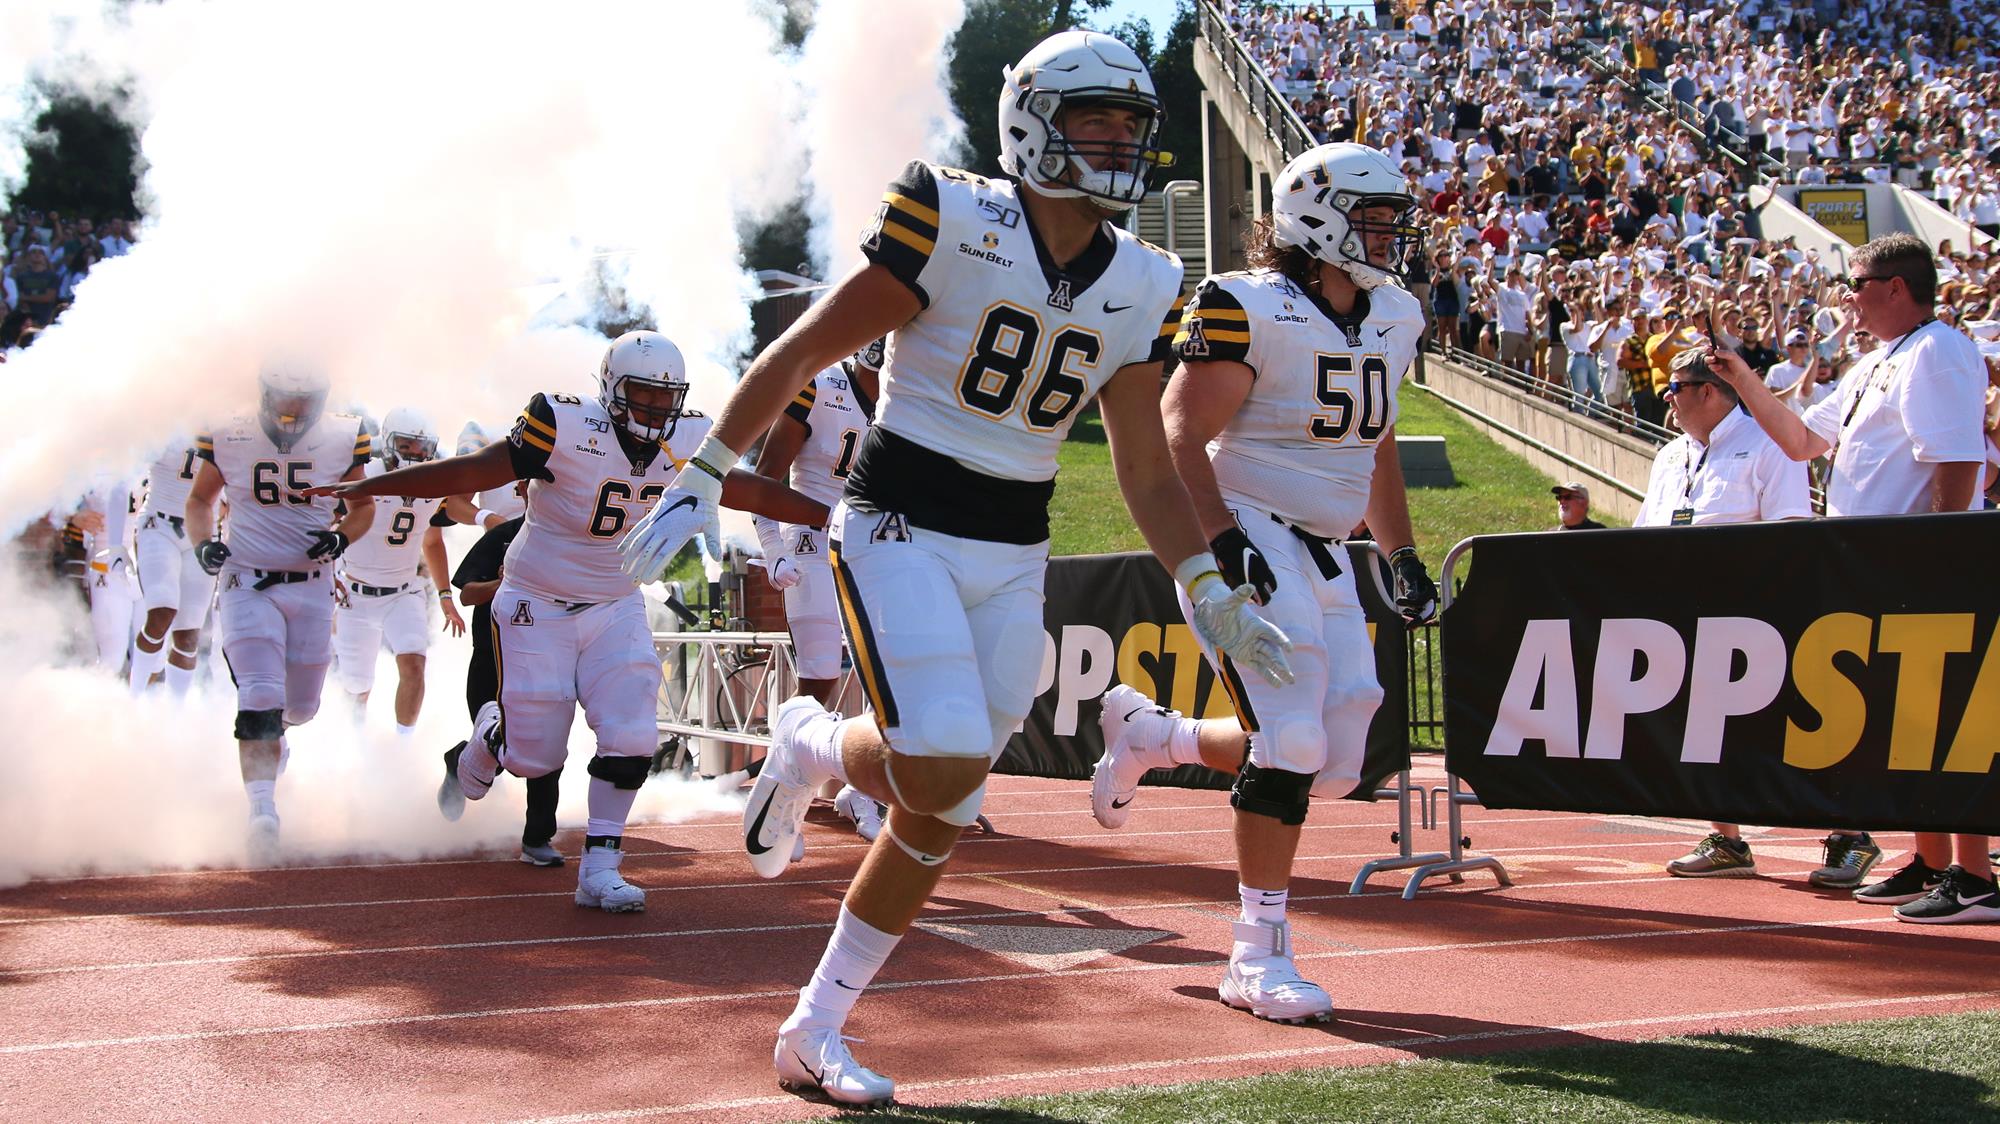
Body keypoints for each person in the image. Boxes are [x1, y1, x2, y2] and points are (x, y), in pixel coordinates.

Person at [614, 30, 1292, 1107]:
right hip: (898, 521)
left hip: (1014, 544)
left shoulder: (1147, 277)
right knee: (937, 768)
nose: (1119, 140)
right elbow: (799, 351)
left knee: (947, 793)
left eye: (1130, 122)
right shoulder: (952, 216)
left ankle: (811, 1023)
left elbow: (1146, 469)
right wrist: (704, 470)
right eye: (1095, 118)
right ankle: (811, 744)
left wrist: (1206, 586)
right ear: (1033, 122)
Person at [1088, 142, 1439, 1026]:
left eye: (1394, 216)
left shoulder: (1395, 313)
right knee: (1290, 740)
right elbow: (1178, 428)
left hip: (1324, 546)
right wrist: (1216, 543)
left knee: (1337, 757)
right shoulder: (1245, 303)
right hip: (1248, 529)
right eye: (1375, 215)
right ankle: (1255, 954)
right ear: (1315, 217)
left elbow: (1377, 439)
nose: (1390, 233)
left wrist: (1397, 551)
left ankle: (1153, 736)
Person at [310, 330, 827, 913]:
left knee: (633, 734)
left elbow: (745, 489)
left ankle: (600, 869)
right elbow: (472, 471)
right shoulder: (561, 422)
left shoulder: (688, 438)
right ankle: (480, 748)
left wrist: (831, 516)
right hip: (537, 599)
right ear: (610, 387)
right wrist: (375, 485)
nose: (656, 410)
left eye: (666, 398)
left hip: (615, 602)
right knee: (534, 758)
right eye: (643, 395)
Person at [1705, 233, 1994, 923]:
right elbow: (1803, 440)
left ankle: (1976, 874)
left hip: (1921, 564)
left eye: (1857, 283)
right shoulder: (1875, 363)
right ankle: (1929, 857)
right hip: (1881, 565)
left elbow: (1956, 461)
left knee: (1943, 720)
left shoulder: (1939, 349)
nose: (1848, 297)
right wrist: (1741, 375)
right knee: (1903, 724)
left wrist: (1944, 556)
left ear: (1896, 287)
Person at [185, 362, 375, 861]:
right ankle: (262, 812)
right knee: (259, 692)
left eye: (304, 399)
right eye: (287, 398)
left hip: (311, 586)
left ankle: (277, 737)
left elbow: (363, 506)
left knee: (301, 708)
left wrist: (341, 537)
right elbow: (201, 500)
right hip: (246, 582)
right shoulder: (229, 430)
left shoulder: (342, 432)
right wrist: (204, 544)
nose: (295, 410)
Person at [1639, 349, 1812, 878]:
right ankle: (1726, 838)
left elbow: (1791, 532)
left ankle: (1849, 835)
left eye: (1675, 388)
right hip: (1684, 617)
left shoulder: (1769, 442)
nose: (1665, 397)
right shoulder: (1669, 454)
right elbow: (1645, 533)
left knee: (1792, 730)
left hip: (1756, 615)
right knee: (1704, 732)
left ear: (1708, 391)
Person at [750, 341, 886, 843]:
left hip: (876, 549)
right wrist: (772, 548)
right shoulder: (820, 387)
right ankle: (786, 790)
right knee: (822, 676)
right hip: (810, 543)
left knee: (889, 676)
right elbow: (765, 477)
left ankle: (862, 788)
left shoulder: (913, 398)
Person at [448, 481, 564, 867]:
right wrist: (506, 583)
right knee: (501, 752)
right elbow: (467, 593)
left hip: (546, 663)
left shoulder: (575, 541)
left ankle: (537, 838)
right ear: (522, 491)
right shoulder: (503, 535)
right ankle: (459, 759)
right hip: (492, 666)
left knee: (547, 751)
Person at [330, 408, 466, 735]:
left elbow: (432, 541)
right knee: (356, 686)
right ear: (389, 443)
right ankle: (355, 744)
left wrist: (445, 595)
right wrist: (328, 576)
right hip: (355, 594)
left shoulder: (433, 482)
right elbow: (329, 525)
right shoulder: (363, 474)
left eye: (421, 448)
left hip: (404, 591)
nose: (415, 454)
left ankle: (402, 750)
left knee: (414, 664)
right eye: (406, 446)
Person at [130, 440, 222, 696]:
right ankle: (133, 698)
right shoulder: (166, 417)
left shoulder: (226, 426)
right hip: (159, 525)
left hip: (201, 532)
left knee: (188, 637)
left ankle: (175, 716)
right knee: (161, 613)